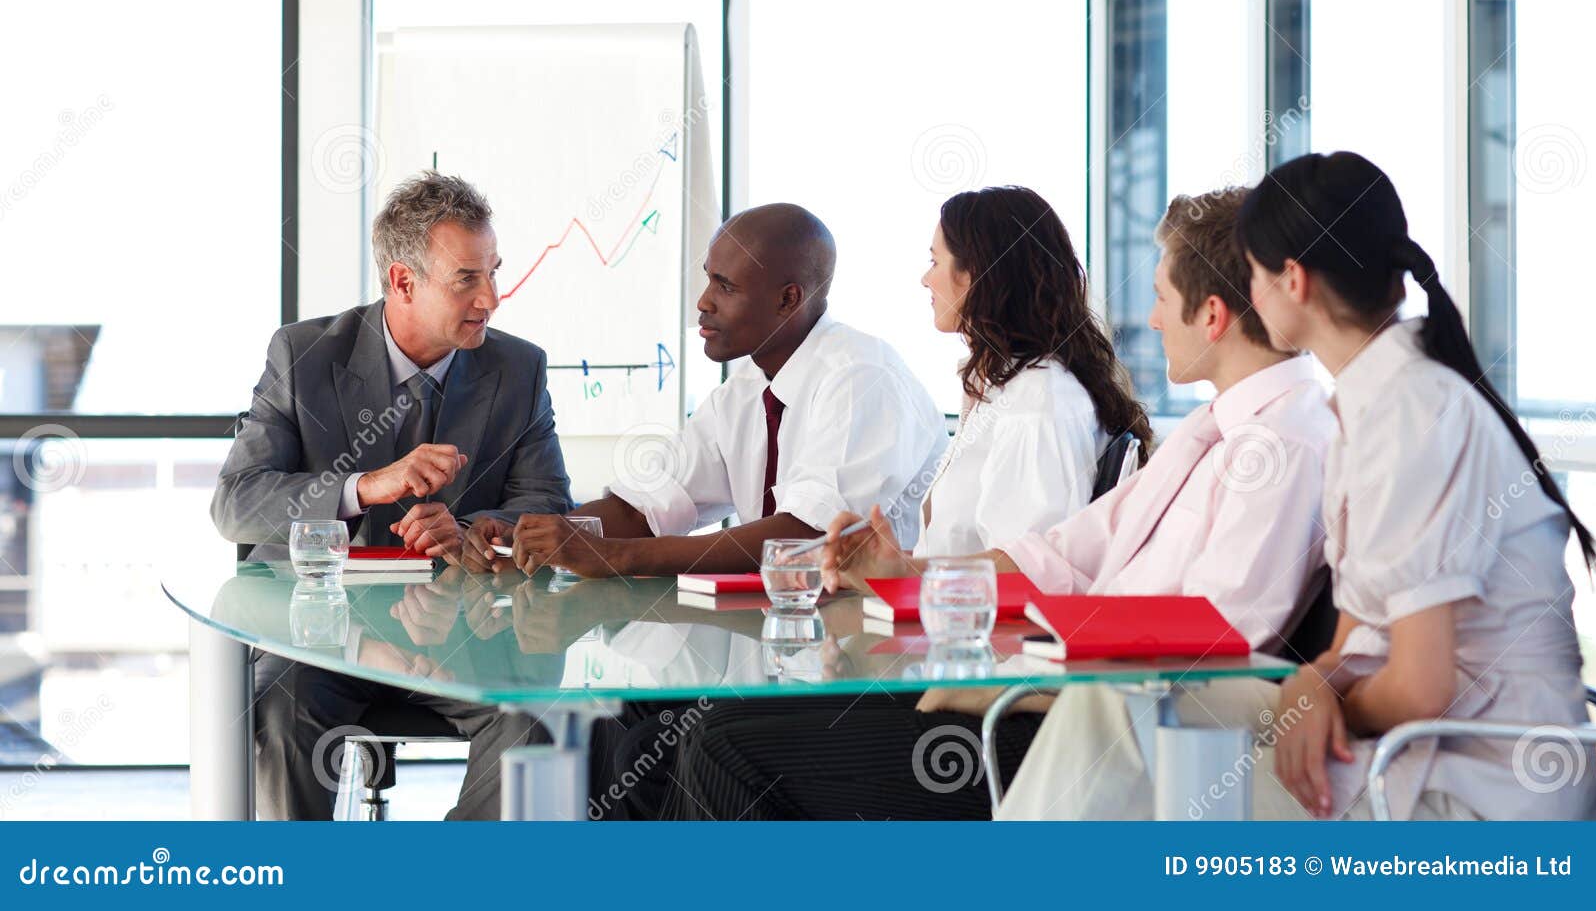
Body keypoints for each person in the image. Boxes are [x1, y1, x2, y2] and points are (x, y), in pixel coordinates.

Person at [665, 187, 1336, 820]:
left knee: (725, 746)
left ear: (1212, 316)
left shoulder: (1282, 443)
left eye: (1161, 297)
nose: (1153, 317)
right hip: (1054, 689)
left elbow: (1216, 635)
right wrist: (914, 579)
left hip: (1078, 723)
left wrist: (1029, 669)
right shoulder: (1211, 428)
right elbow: (1068, 554)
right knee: (709, 730)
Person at [1004, 151, 1596, 821]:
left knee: (1126, 719)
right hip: (1405, 748)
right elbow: (1355, 638)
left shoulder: (1409, 413)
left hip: (1472, 791)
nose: (1248, 298)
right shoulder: (1365, 405)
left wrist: (1318, 698)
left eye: (1253, 274)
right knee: (1127, 700)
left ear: (1292, 279)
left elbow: (1422, 684)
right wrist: (1317, 679)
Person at [211, 171, 573, 819]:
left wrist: (470, 533)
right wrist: (363, 487)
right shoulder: (304, 356)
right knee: (273, 711)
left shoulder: (519, 369)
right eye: (468, 277)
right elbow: (236, 501)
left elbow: (548, 511)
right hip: (323, 632)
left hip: (469, 635)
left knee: (540, 721)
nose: (492, 296)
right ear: (403, 282)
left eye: (494, 270)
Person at [505, 202, 946, 578]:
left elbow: (806, 537)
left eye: (725, 286)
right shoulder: (746, 390)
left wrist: (618, 556)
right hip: (785, 635)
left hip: (871, 651)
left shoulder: (861, 378)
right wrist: (534, 536)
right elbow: (646, 507)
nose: (703, 301)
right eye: (708, 278)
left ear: (788, 300)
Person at [912, 186, 1151, 559]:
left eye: (935, 262)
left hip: (985, 616)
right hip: (958, 610)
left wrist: (899, 573)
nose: (925, 279)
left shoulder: (1038, 398)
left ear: (975, 274)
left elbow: (1027, 571)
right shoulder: (1005, 385)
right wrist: (886, 565)